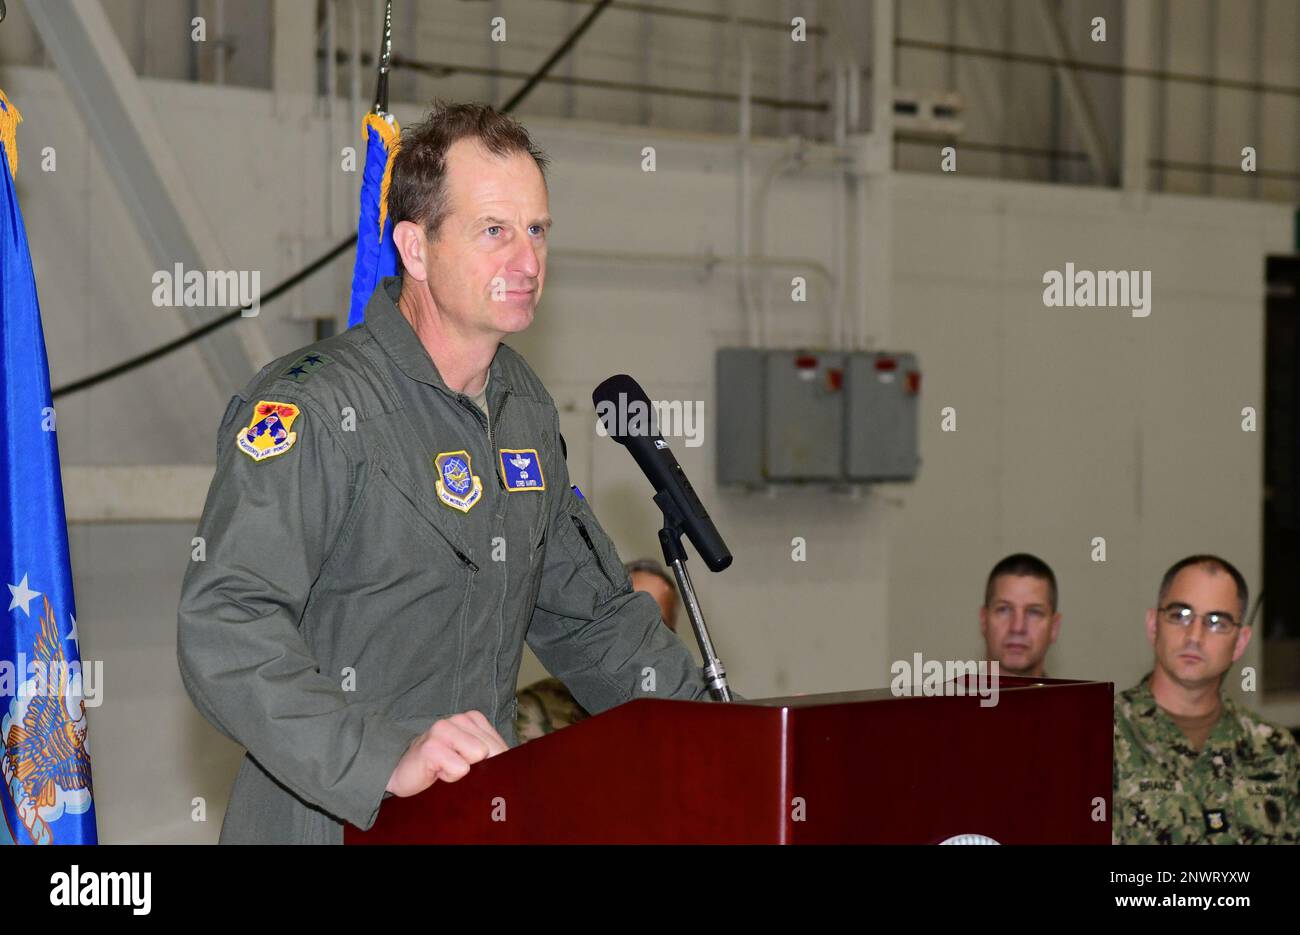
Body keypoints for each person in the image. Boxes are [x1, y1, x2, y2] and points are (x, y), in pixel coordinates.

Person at [176, 101, 713, 844]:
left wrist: (725, 739)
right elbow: (226, 624)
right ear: (415, 248)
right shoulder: (315, 404)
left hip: (469, 823)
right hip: (328, 823)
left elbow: (595, 622)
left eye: (536, 231)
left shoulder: (520, 406)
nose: (526, 261)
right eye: (494, 231)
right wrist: (383, 757)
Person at [1112, 554, 1298, 844]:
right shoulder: (1091, 737)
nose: (1194, 636)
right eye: (1180, 615)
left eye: (1216, 622)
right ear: (1153, 625)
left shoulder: (1275, 751)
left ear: (1240, 643)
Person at [515, 559, 680, 741]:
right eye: (623, 614)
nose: (634, 634)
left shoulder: (677, 721)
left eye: (653, 623)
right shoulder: (538, 707)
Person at [978, 553, 1060, 678]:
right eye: (1003, 609)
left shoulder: (1083, 698)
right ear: (984, 621)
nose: (1017, 627)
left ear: (1054, 627)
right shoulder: (947, 697)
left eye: (1034, 612)